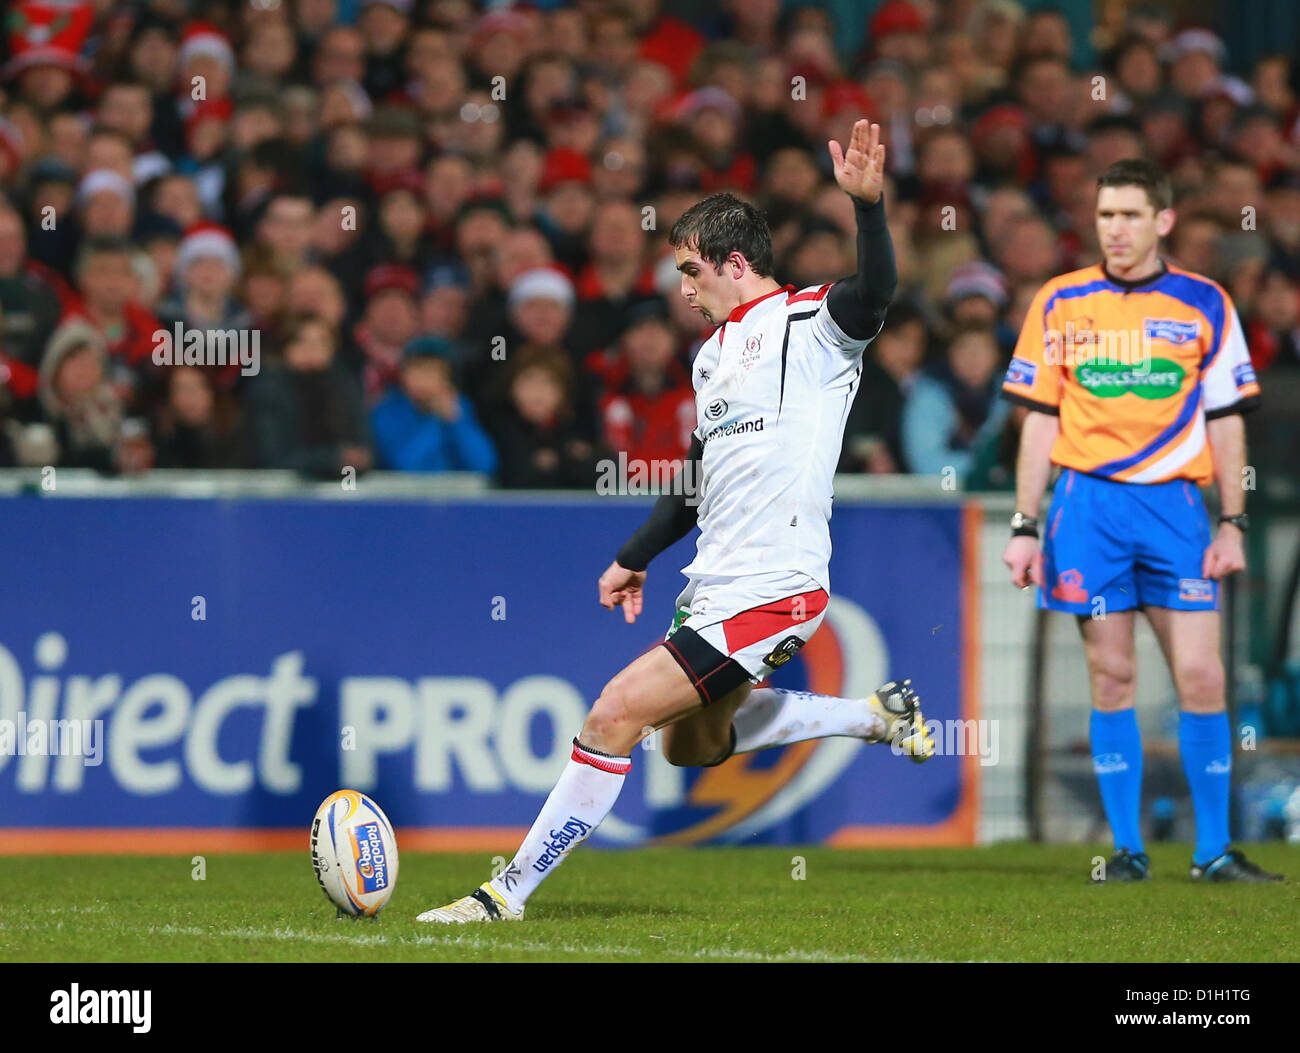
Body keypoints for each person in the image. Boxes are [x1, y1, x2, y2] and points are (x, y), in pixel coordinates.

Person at [418, 119, 935, 924]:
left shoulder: (816, 322)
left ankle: (504, 892)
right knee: (687, 742)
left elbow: (878, 293)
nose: (684, 289)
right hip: (713, 583)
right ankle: (874, 716)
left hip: (778, 584)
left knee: (613, 712)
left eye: (693, 271)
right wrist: (634, 555)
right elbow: (694, 480)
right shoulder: (711, 355)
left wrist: (869, 210)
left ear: (735, 263)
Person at [1000, 159, 1282, 884]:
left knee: (1201, 673)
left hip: (1178, 510)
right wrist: (1025, 525)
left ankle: (1213, 849)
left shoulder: (1205, 303)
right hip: (1087, 506)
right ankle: (1128, 850)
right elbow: (1037, 422)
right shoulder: (1060, 302)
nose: (1115, 229)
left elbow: (1225, 423)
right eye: (1104, 216)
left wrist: (1235, 522)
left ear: (1164, 220)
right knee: (1113, 673)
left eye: (1129, 215)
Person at [370, 336, 497, 473]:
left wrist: (456, 422)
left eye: (432, 371)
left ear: (448, 378)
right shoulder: (386, 412)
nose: (423, 379)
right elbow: (406, 466)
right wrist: (436, 421)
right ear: (403, 374)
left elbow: (484, 464)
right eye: (417, 369)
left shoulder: (459, 407)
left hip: (455, 492)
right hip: (402, 492)